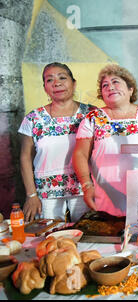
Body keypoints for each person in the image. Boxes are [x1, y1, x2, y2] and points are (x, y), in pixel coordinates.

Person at [72, 64, 138, 217]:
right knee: (111, 234)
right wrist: (86, 185)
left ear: (130, 89)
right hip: (107, 192)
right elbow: (80, 154)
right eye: (105, 85)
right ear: (101, 94)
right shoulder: (93, 119)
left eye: (115, 82)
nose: (110, 87)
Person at [18, 62, 95, 222]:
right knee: (48, 239)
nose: (57, 83)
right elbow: (25, 157)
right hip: (46, 195)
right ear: (45, 87)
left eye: (62, 77)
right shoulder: (33, 118)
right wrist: (31, 195)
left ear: (73, 83)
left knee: (87, 234)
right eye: (49, 80)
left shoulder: (91, 114)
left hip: (85, 189)